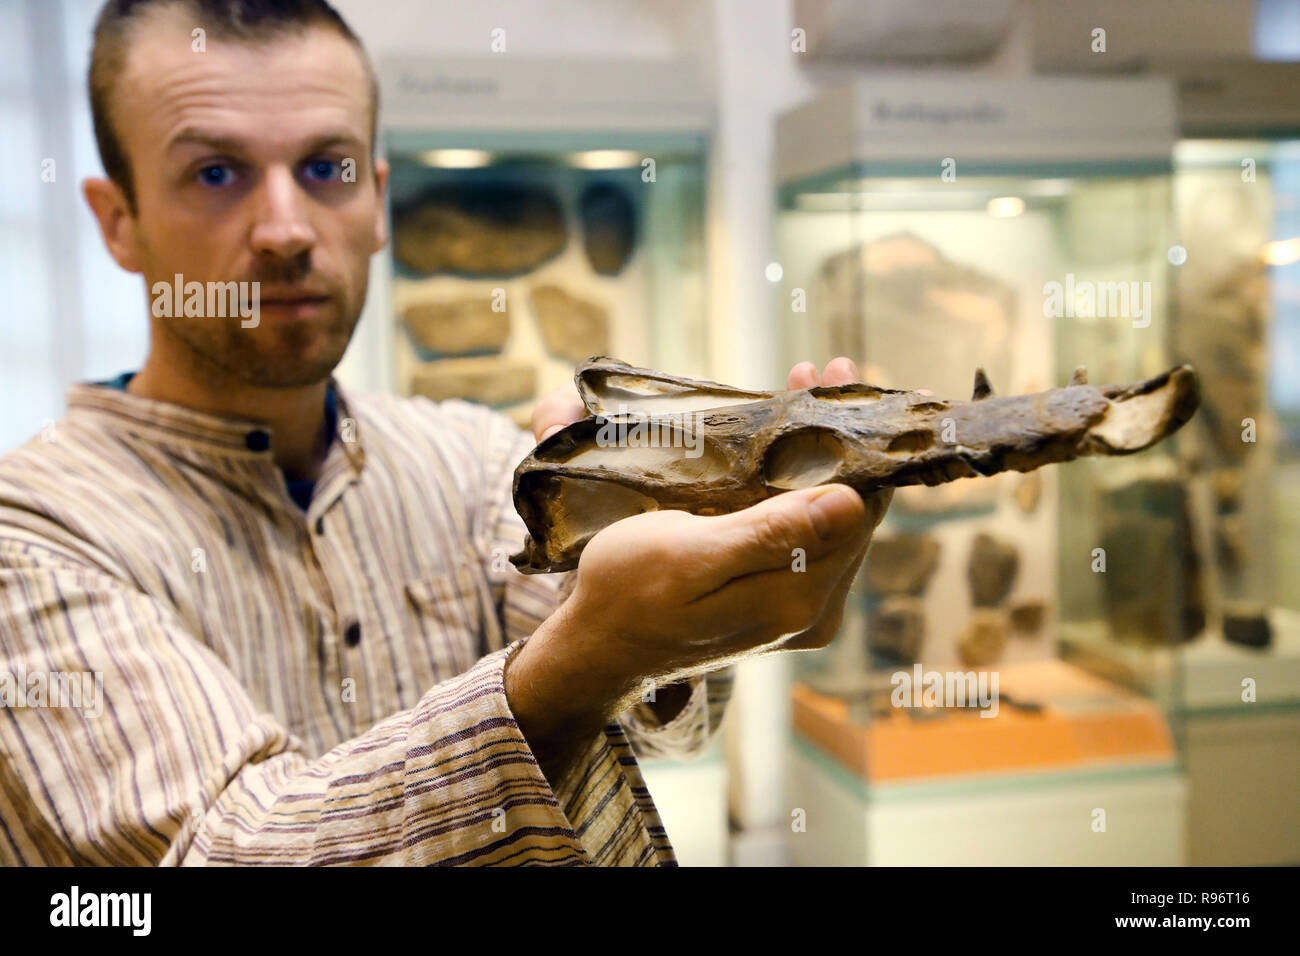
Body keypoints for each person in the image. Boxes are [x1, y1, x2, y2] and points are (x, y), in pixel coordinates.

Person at [0, 0, 889, 866]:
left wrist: (707, 569)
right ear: (118, 221)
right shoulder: (33, 536)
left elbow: (667, 726)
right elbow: (214, 854)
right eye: (216, 174)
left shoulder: (464, 459)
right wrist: (587, 658)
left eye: (326, 169)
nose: (283, 230)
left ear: (378, 201)